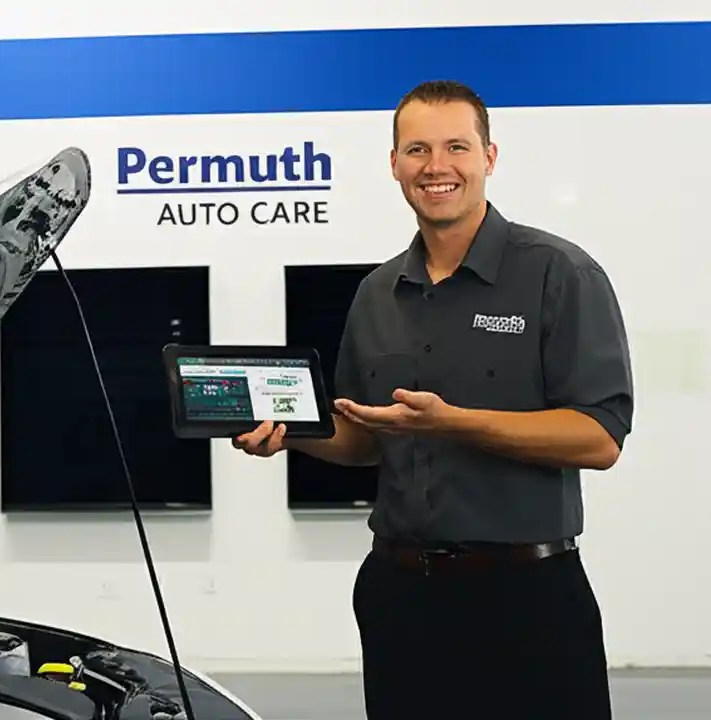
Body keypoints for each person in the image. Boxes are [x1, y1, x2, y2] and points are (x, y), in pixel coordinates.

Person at [233, 79, 633, 719]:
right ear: (393, 164)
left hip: (528, 596)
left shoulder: (560, 274)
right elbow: (366, 440)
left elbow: (599, 438)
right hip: (400, 595)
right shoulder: (376, 293)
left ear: (489, 157)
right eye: (417, 149)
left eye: (456, 147)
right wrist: (294, 431)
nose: (436, 166)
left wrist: (454, 423)